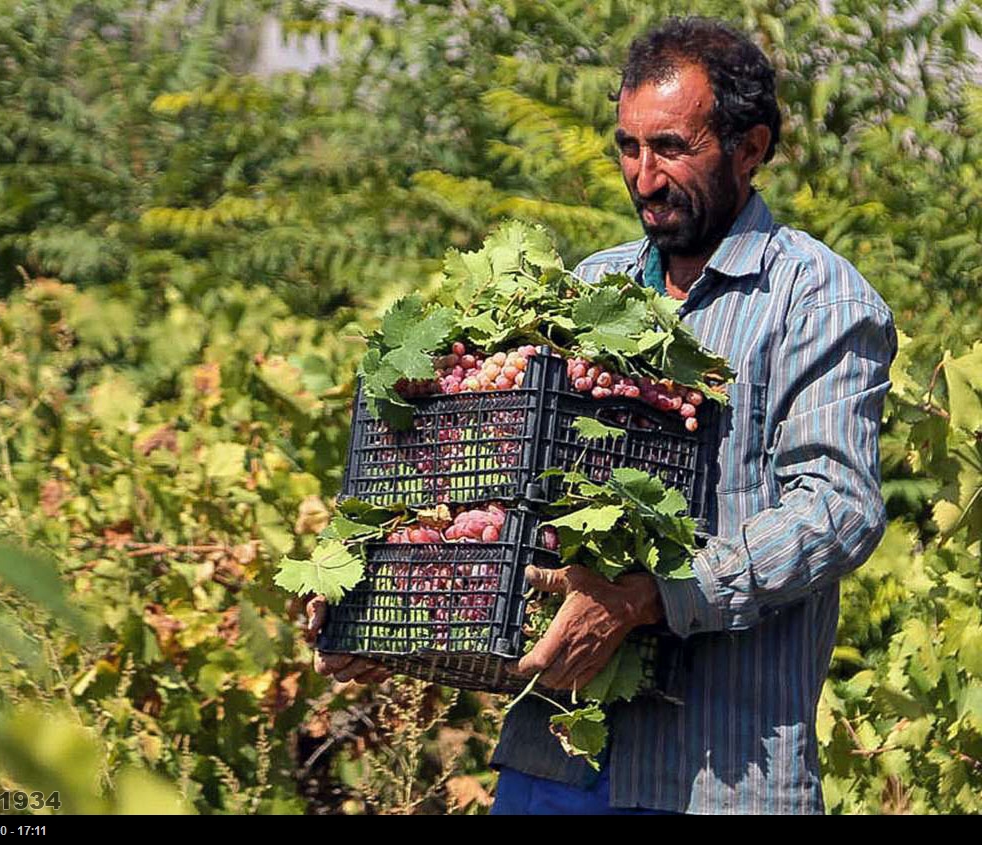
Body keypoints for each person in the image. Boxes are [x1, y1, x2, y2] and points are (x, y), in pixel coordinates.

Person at [306, 16, 897, 814]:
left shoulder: (818, 301)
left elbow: (837, 509)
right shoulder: (591, 288)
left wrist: (652, 593)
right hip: (555, 759)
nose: (644, 177)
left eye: (672, 150)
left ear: (750, 148)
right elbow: (506, 495)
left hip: (715, 774)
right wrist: (398, 607)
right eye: (628, 147)